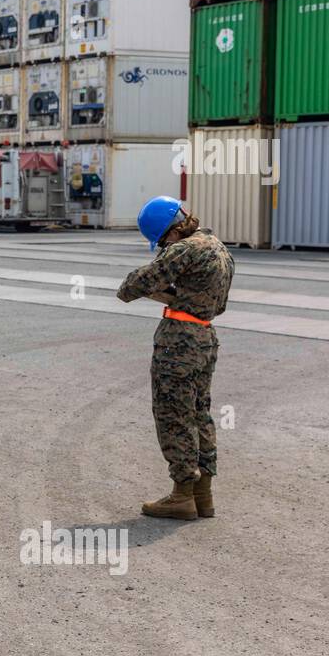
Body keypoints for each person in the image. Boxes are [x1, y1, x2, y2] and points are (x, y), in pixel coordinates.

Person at [116, 196, 235, 521]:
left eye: (160, 242)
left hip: (179, 341)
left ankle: (181, 494)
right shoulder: (218, 246)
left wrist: (139, 288)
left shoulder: (183, 249)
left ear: (167, 233)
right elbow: (218, 303)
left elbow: (131, 287)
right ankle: (203, 495)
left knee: (173, 414)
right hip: (206, 336)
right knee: (199, 414)